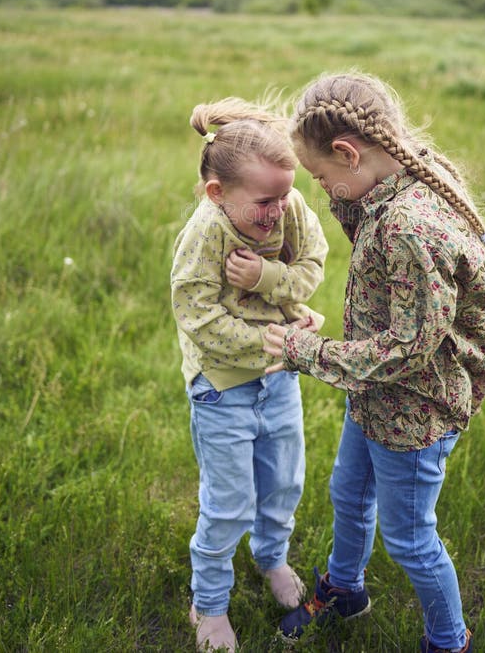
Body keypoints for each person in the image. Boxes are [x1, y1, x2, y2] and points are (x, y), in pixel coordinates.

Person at [263, 72, 485, 653]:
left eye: (321, 176)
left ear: (349, 152)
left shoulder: (409, 227)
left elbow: (407, 349)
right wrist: (341, 194)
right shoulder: (387, 185)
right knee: (348, 492)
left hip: (414, 413)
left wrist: (305, 352)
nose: (321, 187)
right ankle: (345, 588)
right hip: (373, 400)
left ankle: (449, 640)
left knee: (412, 538)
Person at [171, 97, 328, 652]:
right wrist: (270, 340)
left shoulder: (289, 207)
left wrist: (267, 277)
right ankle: (208, 604)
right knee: (229, 502)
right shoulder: (206, 231)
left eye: (286, 194)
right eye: (265, 201)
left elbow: (311, 268)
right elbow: (196, 314)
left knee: (283, 483)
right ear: (219, 194)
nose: (278, 209)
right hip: (222, 389)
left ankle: (272, 558)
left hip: (278, 379)